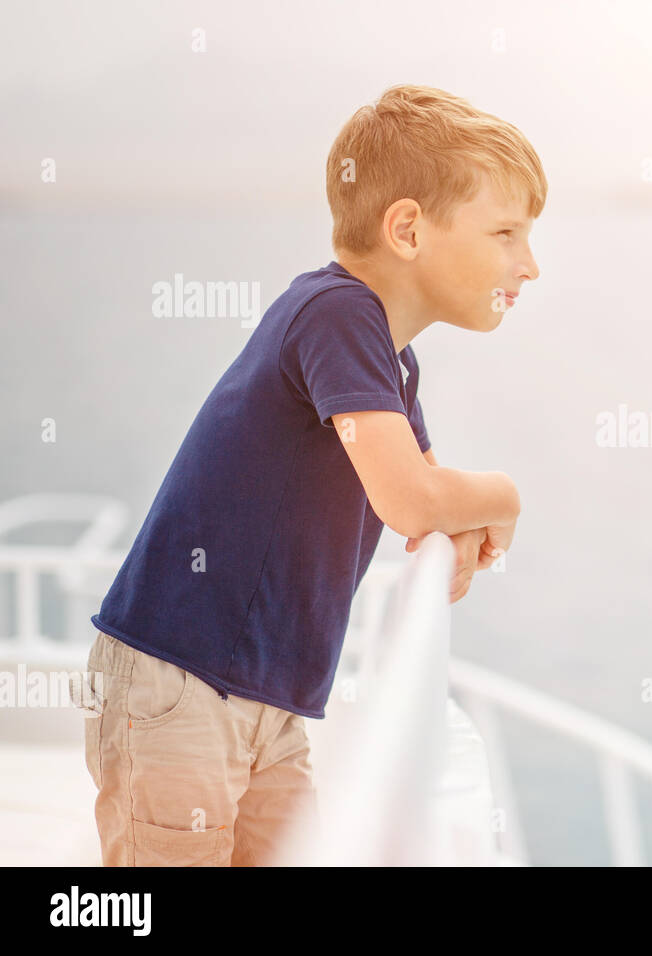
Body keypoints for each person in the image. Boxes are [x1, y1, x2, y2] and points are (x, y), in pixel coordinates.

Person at [81, 84, 544, 866]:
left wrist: (457, 517)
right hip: (180, 685)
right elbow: (410, 498)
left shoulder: (390, 359)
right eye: (506, 233)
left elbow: (426, 500)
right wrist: (507, 496)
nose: (528, 266)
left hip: (266, 699)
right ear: (407, 229)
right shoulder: (337, 315)